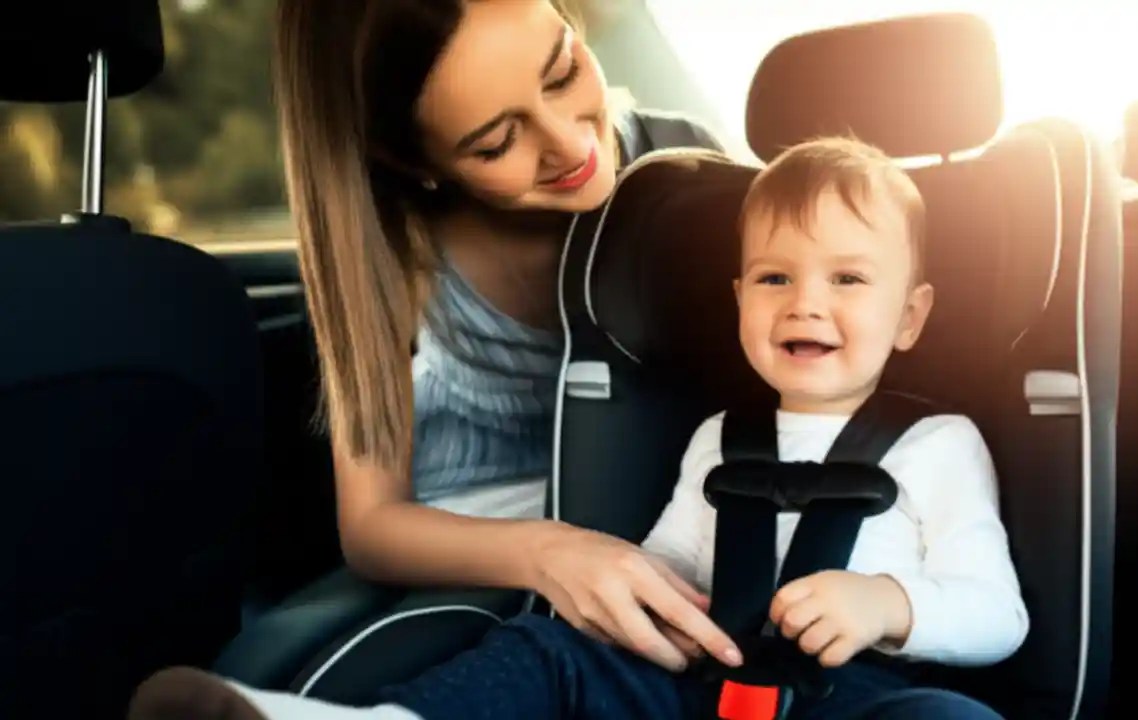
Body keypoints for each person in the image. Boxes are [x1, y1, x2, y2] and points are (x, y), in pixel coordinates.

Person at [129, 136, 1030, 720]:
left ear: (910, 317)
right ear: (738, 300)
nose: (806, 305)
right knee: (545, 652)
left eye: (847, 280)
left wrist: (888, 607)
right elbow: (672, 557)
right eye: (774, 279)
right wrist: (649, 604)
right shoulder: (723, 437)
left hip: (862, 695)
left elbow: (997, 614)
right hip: (698, 685)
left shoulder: (936, 445)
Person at [265, 0, 741, 679]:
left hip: (667, 507)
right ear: (413, 162)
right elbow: (371, 527)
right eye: (495, 144)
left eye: (563, 71)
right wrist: (549, 552)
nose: (571, 145)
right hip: (482, 545)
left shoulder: (683, 170)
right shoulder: (395, 258)